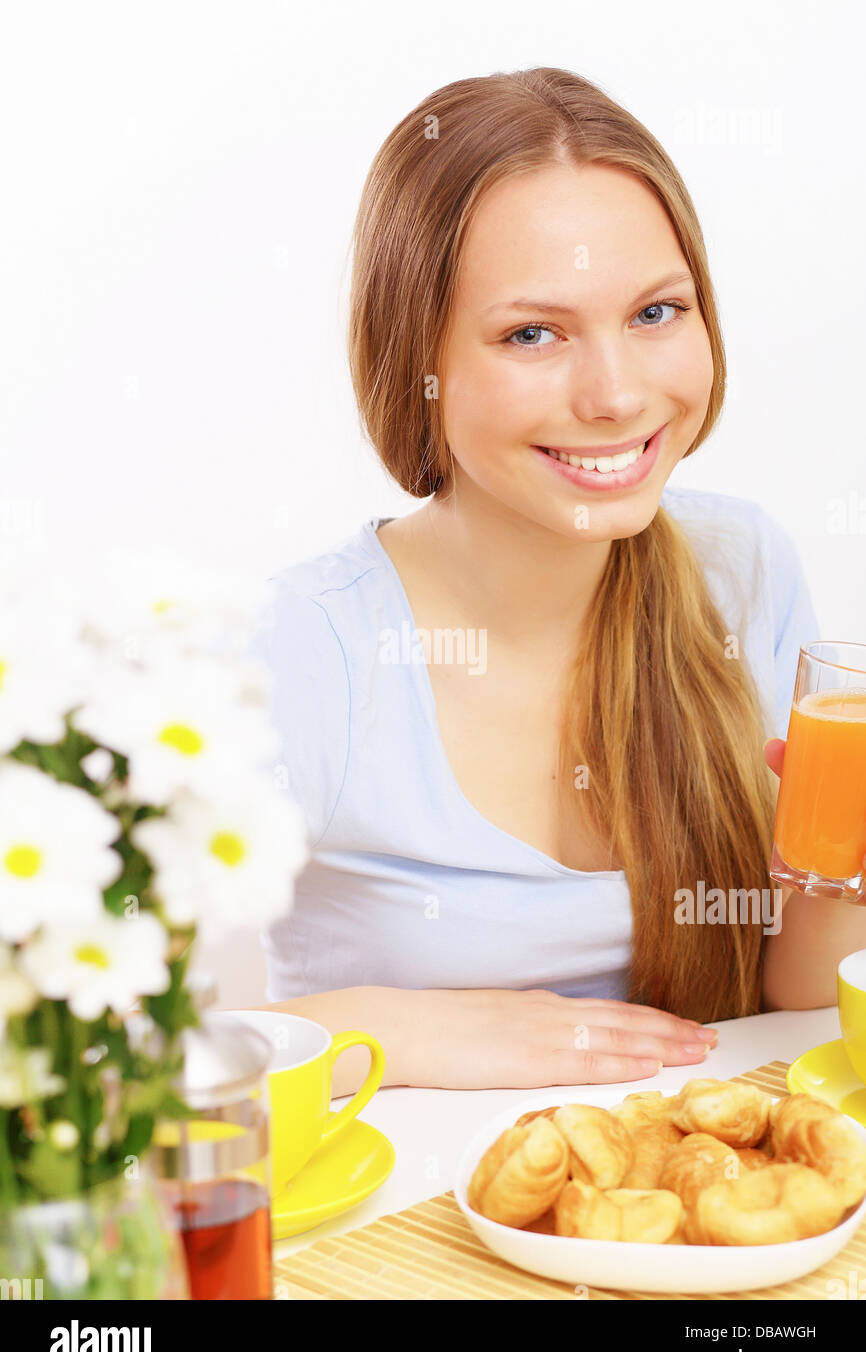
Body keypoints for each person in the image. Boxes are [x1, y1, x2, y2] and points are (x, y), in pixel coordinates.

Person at [250, 66, 836, 1098]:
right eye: (532, 333)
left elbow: (789, 994)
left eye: (655, 312)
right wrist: (395, 1033)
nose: (614, 394)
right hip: (391, 1236)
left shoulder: (740, 571)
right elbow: (88, 1064)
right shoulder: (303, 650)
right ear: (412, 358)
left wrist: (847, 861)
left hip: (675, 1207)